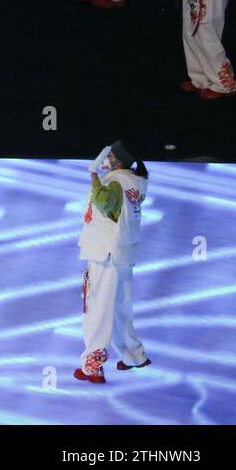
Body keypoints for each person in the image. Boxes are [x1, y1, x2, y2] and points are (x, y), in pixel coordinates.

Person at [76, 141, 150, 383]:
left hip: (104, 253)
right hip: (123, 253)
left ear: (116, 160)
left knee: (98, 308)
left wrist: (92, 175)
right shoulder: (134, 182)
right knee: (120, 308)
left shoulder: (116, 183)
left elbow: (103, 202)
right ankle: (133, 355)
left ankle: (93, 366)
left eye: (110, 156)